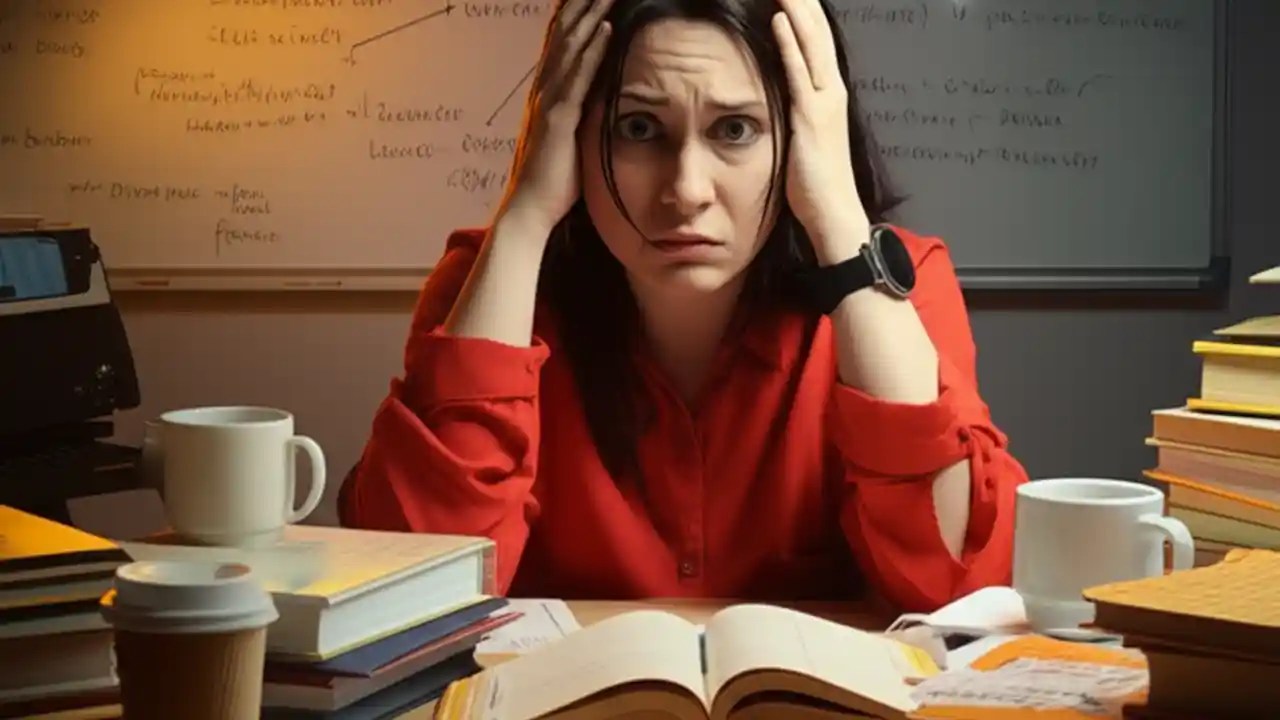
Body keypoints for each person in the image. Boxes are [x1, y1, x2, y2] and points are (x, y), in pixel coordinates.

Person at [339, 0, 1030, 612]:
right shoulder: (486, 286)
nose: (687, 190)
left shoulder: (895, 290)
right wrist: (524, 215)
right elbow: (411, 596)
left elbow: (958, 590)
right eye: (638, 129)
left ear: (801, 138)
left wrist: (841, 219)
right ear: (573, 131)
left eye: (735, 130)